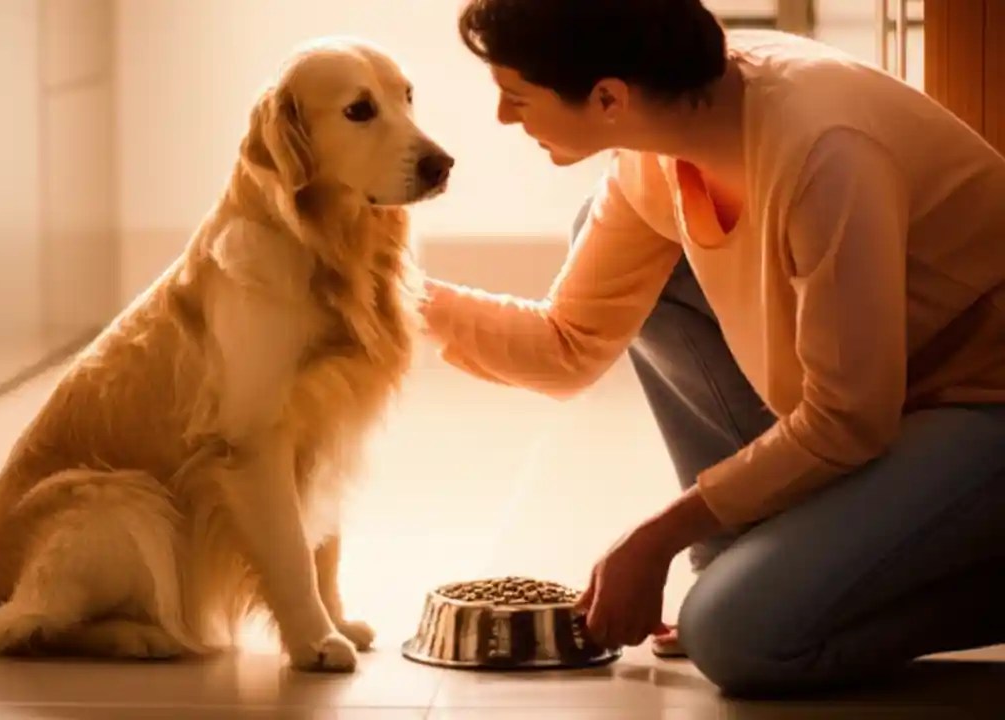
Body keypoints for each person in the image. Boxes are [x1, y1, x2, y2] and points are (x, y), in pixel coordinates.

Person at [420, 0, 1005, 697]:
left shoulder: (825, 151)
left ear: (609, 97)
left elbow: (851, 418)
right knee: (637, 262)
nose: (503, 119)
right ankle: (764, 566)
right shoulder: (663, 140)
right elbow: (566, 344)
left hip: (981, 403)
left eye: (516, 97)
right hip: (890, 405)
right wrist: (386, 294)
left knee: (736, 636)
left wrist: (658, 535)